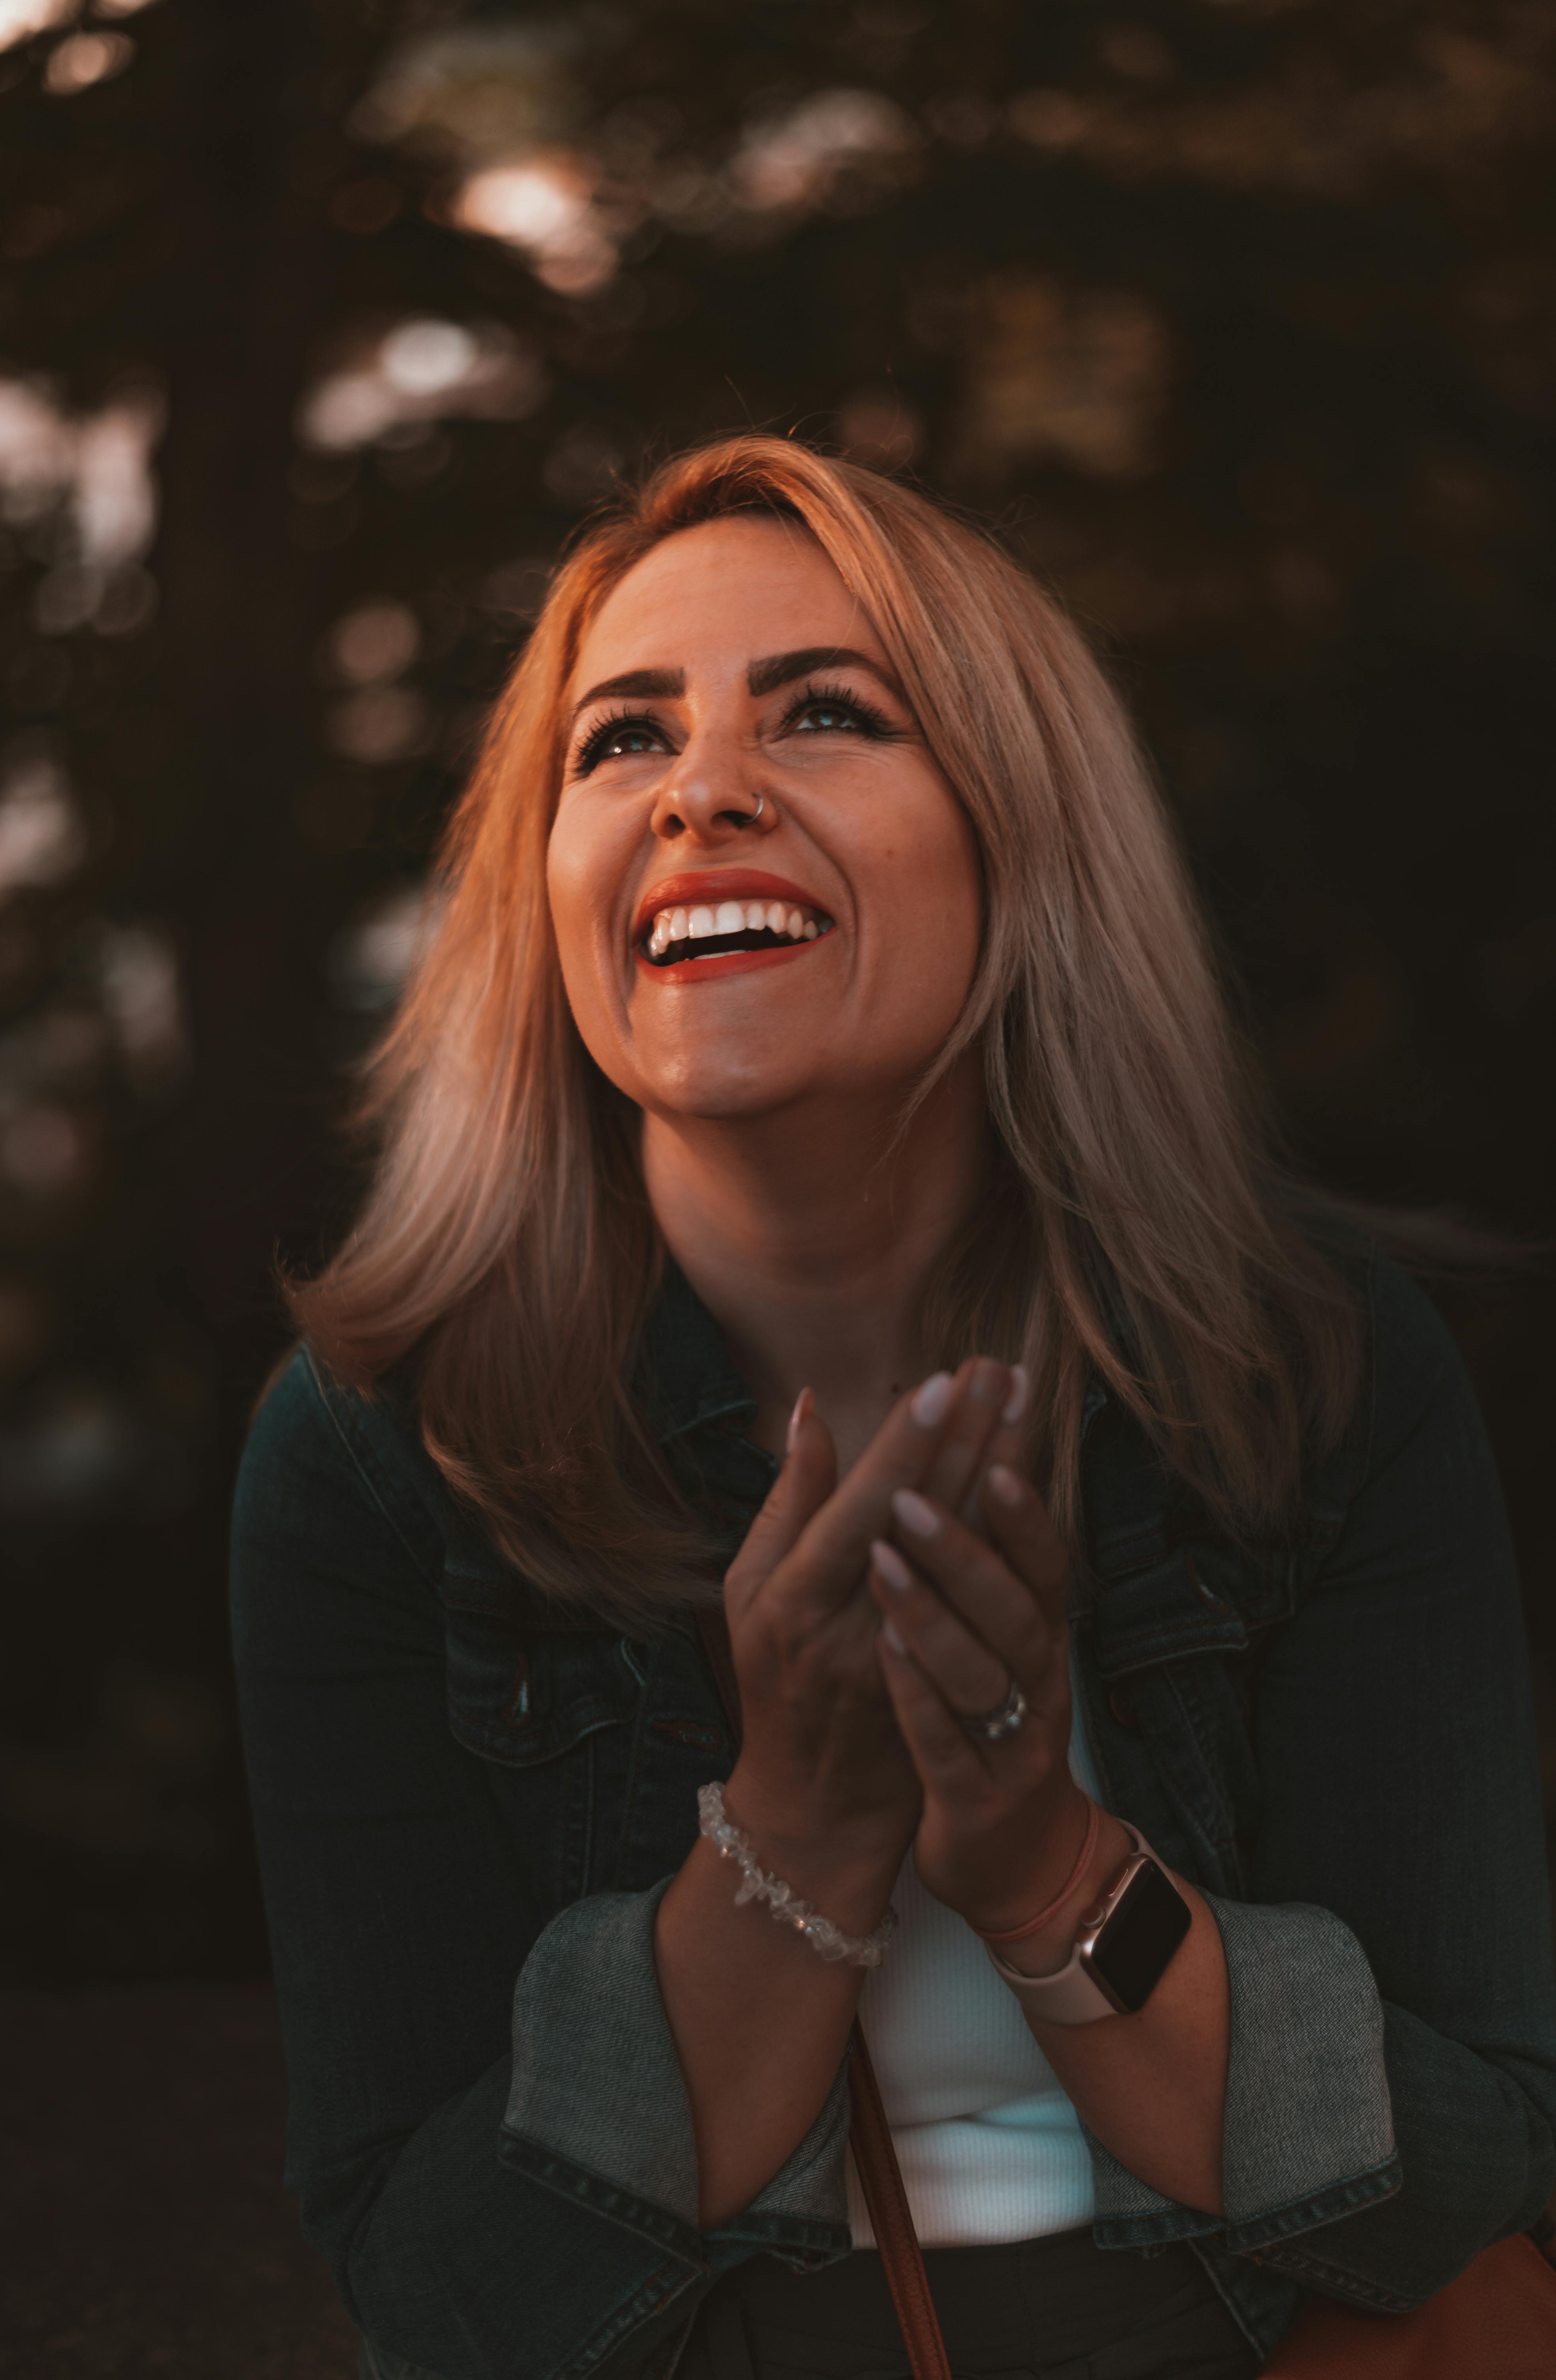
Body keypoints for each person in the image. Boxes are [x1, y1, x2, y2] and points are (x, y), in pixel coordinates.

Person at [231, 436, 1556, 2380]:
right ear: (546, 884)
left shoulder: (1304, 1364)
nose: (699, 791)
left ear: (1022, 836)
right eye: (618, 744)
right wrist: (798, 1833)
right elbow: (436, 2287)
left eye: (826, 713)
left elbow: (1469, 2173)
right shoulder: (375, 1443)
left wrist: (1041, 1864)